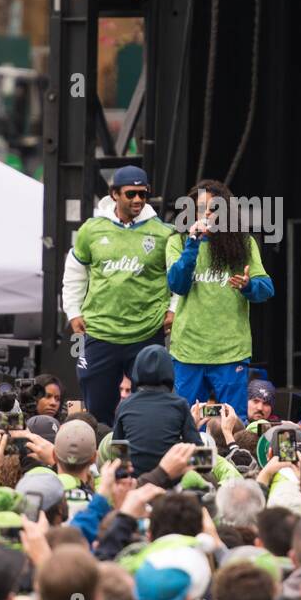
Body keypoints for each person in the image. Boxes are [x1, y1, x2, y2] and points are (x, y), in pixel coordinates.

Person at [62, 165, 175, 428]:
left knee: (150, 409)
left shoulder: (164, 233)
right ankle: (102, 462)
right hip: (99, 332)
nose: (137, 200)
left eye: (143, 194)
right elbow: (74, 271)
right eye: (131, 194)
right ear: (114, 194)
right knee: (97, 411)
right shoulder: (91, 229)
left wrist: (173, 309)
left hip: (146, 332)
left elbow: (178, 279)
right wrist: (73, 312)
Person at [166, 179, 274, 417]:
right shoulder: (178, 241)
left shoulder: (243, 244)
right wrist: (193, 244)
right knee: (187, 420)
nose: (206, 213)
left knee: (233, 421)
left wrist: (248, 285)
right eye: (200, 208)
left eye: (214, 208)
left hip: (230, 350)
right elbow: (178, 284)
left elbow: (266, 289)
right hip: (188, 350)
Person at [111, 345, 198, 478]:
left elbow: (117, 457)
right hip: (171, 484)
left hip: (135, 485)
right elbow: (203, 461)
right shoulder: (180, 405)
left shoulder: (125, 406)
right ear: (170, 372)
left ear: (137, 371)